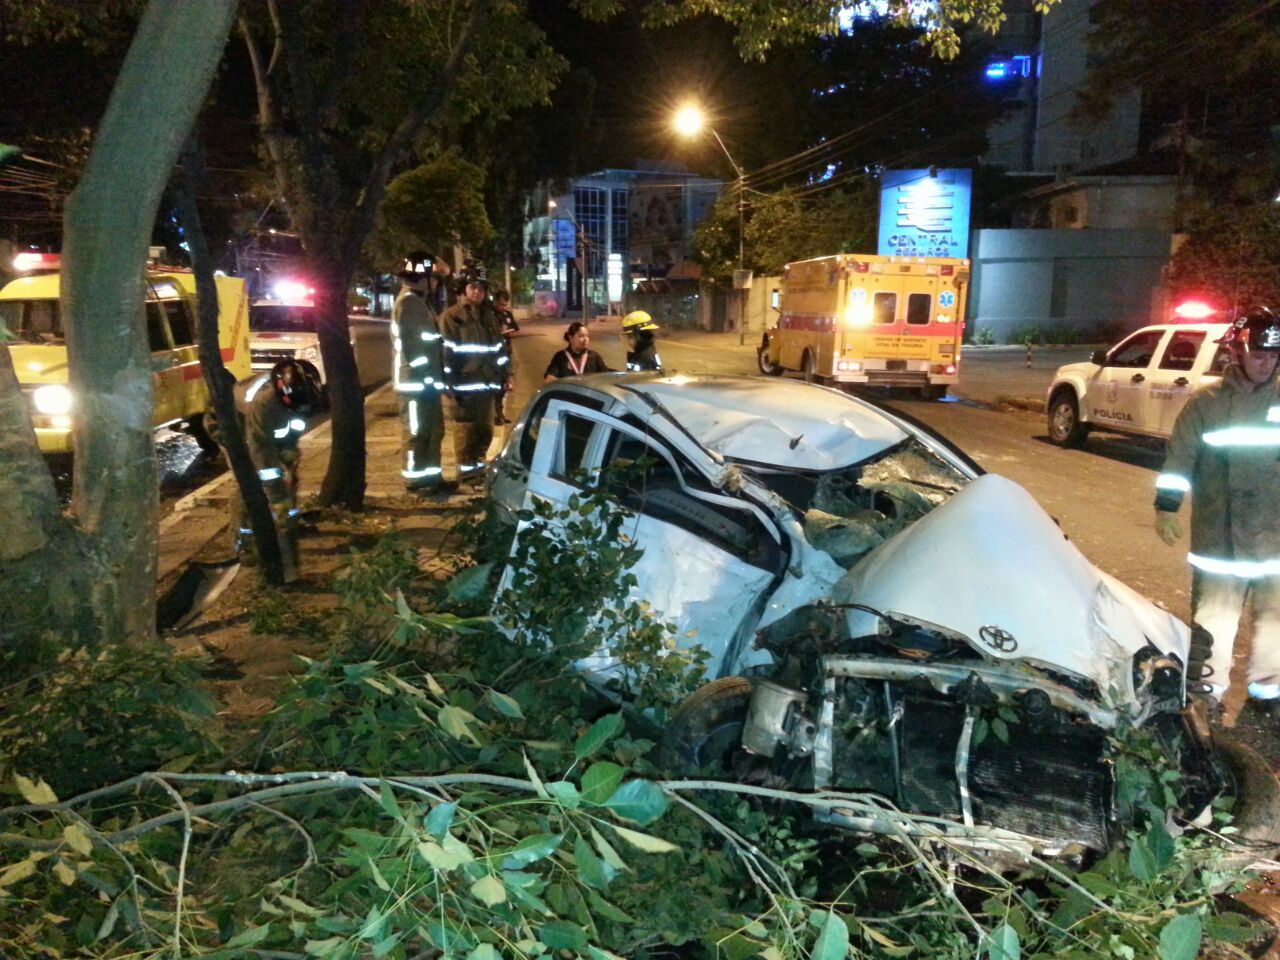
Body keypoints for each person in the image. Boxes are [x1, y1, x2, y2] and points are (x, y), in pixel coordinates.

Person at [1154, 306, 1280, 708]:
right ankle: (1205, 695)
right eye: (1258, 352)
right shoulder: (1206, 404)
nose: (1266, 361)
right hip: (1220, 539)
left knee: (1275, 622)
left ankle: (1268, 693)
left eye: (1273, 354)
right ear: (1237, 352)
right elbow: (1180, 459)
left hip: (1273, 538)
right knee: (1214, 623)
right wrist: (1167, 506)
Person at [218, 360, 315, 581]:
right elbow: (261, 455)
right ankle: (244, 542)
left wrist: (289, 451)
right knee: (248, 483)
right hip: (232, 424)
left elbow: (292, 427)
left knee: (283, 490)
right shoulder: (264, 405)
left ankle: (283, 531)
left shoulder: (299, 395)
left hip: (265, 432)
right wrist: (278, 497)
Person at [391, 251, 454, 495]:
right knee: (417, 433)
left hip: (426, 383)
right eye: (434, 278)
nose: (437, 283)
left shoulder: (418, 302)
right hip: (415, 384)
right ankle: (415, 481)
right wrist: (428, 376)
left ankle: (432, 478)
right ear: (422, 278)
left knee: (433, 431)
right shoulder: (408, 303)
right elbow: (412, 347)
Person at [439, 268, 505, 482]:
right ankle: (466, 476)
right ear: (463, 289)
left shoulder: (489, 317)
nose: (477, 292)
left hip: (487, 385)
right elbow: (446, 352)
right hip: (464, 386)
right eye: (473, 287)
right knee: (466, 432)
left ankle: (477, 472)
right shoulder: (452, 317)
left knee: (485, 430)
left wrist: (505, 374)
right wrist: (448, 383)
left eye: (481, 288)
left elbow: (499, 347)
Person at [544, 321, 611, 380]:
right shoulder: (560, 357)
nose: (585, 339)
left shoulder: (594, 356)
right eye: (581, 336)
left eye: (587, 336)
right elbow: (550, 377)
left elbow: (606, 375)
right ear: (571, 338)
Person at [493, 288, 519, 425]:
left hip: (506, 351)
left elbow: (515, 328)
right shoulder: (490, 315)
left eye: (505, 304)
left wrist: (507, 331)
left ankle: (500, 414)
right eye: (500, 304)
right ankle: (496, 415)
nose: (503, 307)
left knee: (505, 383)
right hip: (494, 353)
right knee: (496, 386)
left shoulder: (507, 314)